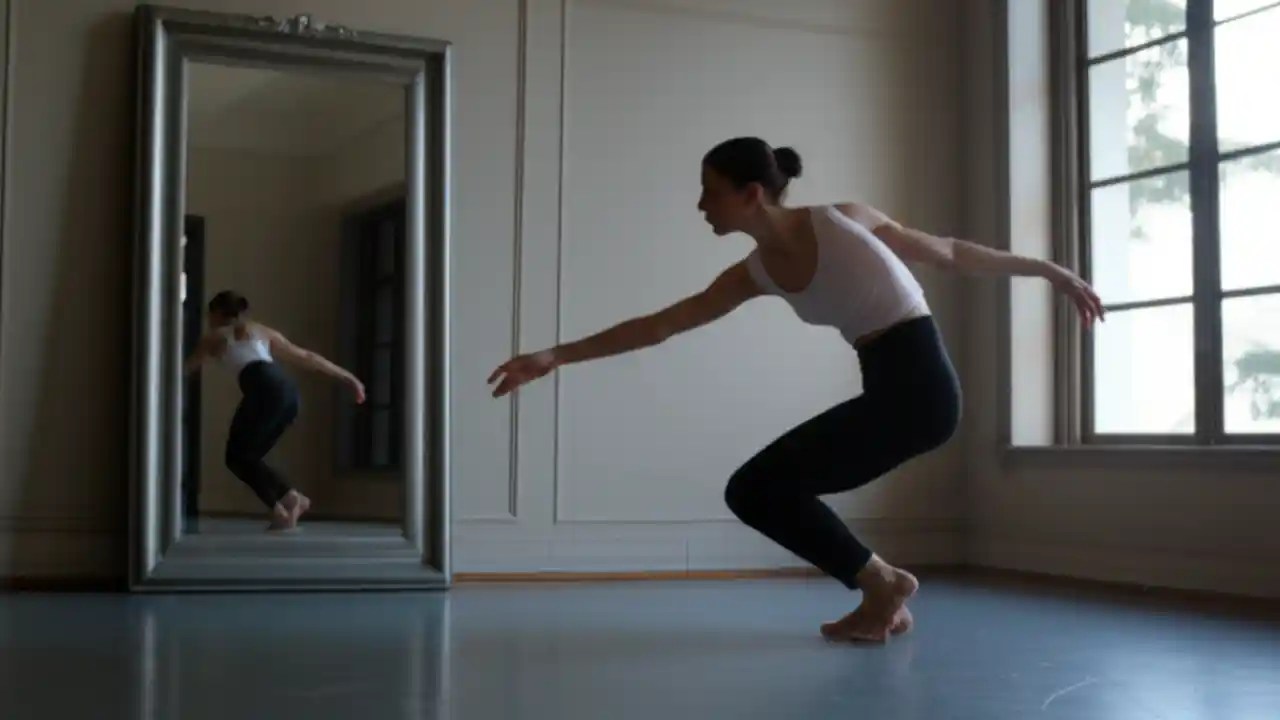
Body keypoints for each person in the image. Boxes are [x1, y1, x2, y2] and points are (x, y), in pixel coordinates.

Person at [486, 137, 1104, 642]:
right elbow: (663, 324)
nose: (701, 205)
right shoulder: (753, 274)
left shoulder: (846, 220)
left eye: (710, 192)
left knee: (760, 487)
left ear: (751, 194)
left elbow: (946, 252)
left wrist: (1050, 271)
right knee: (760, 489)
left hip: (921, 392)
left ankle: (882, 587)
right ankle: (881, 588)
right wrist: (555, 356)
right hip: (892, 391)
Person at [184, 290, 367, 531]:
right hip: (287, 393)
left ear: (216, 314)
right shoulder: (261, 330)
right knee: (245, 457)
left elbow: (185, 370)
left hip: (264, 391)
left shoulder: (215, 336)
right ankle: (285, 507)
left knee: (237, 457)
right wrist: (349, 377)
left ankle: (288, 503)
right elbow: (307, 357)